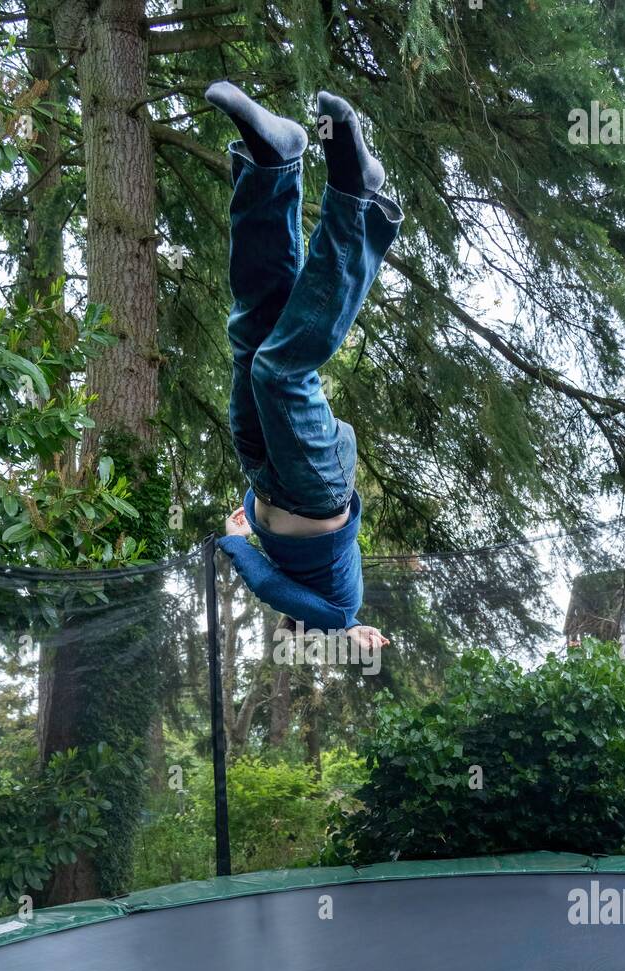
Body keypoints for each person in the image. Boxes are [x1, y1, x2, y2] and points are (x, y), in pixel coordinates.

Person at [207, 82, 403, 657]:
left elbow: (276, 580)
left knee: (251, 337)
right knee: (279, 370)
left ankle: (274, 164)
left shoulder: (301, 587)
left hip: (266, 471)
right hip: (316, 487)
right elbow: (265, 583)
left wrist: (247, 523)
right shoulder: (337, 610)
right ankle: (356, 196)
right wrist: (233, 540)